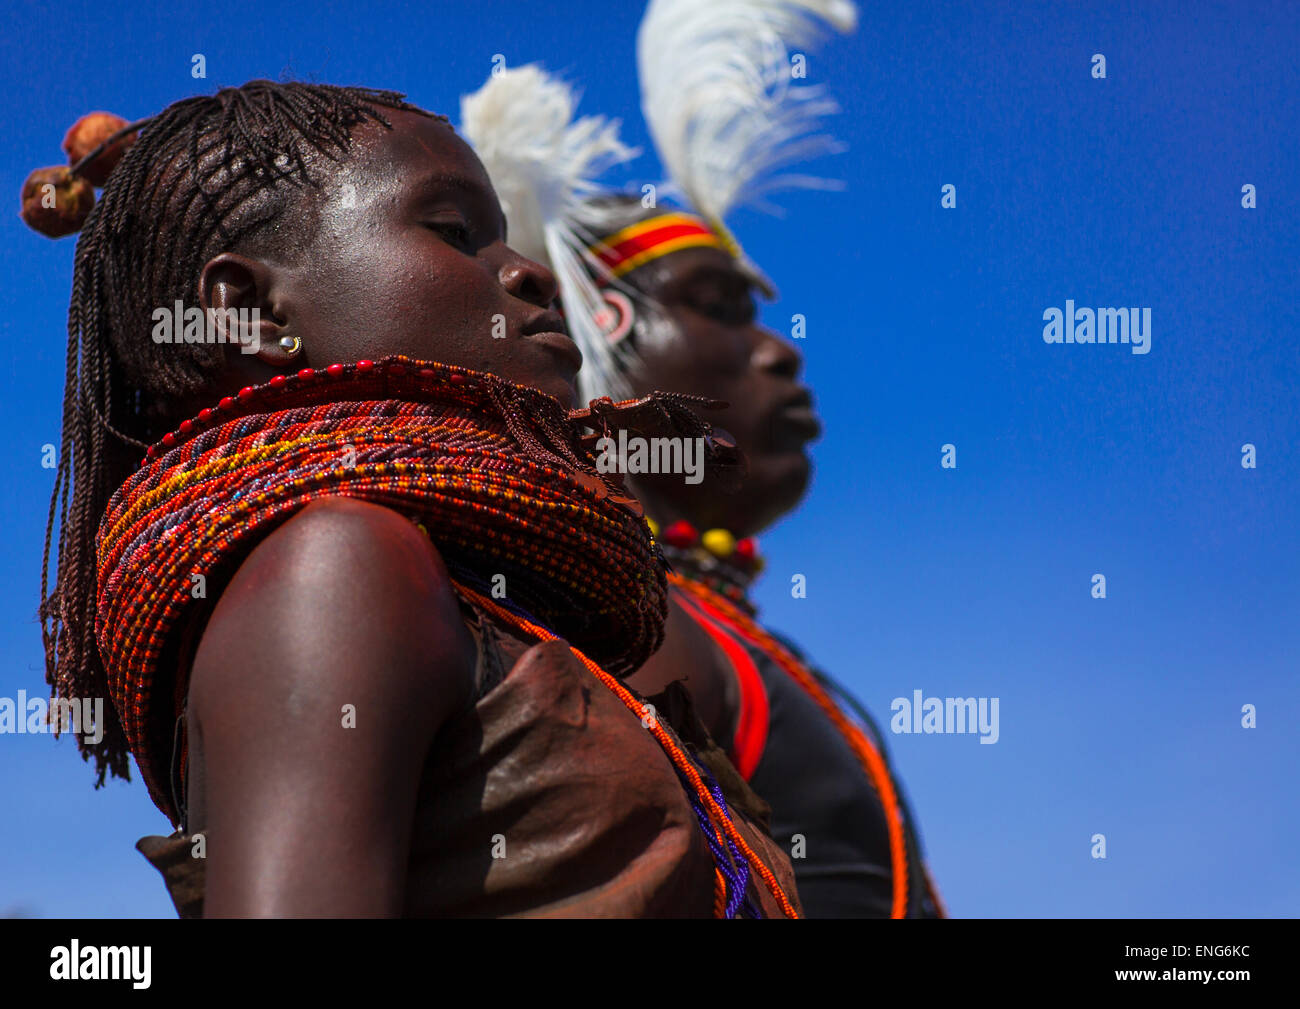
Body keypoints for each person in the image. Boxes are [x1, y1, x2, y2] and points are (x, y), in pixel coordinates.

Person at [32, 79, 800, 918]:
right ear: (250, 311)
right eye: (456, 233)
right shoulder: (338, 561)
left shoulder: (453, 591)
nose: (531, 273)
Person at [462, 0, 944, 918]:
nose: (780, 350)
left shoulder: (700, 623)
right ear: (592, 344)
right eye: (719, 304)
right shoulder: (618, 627)